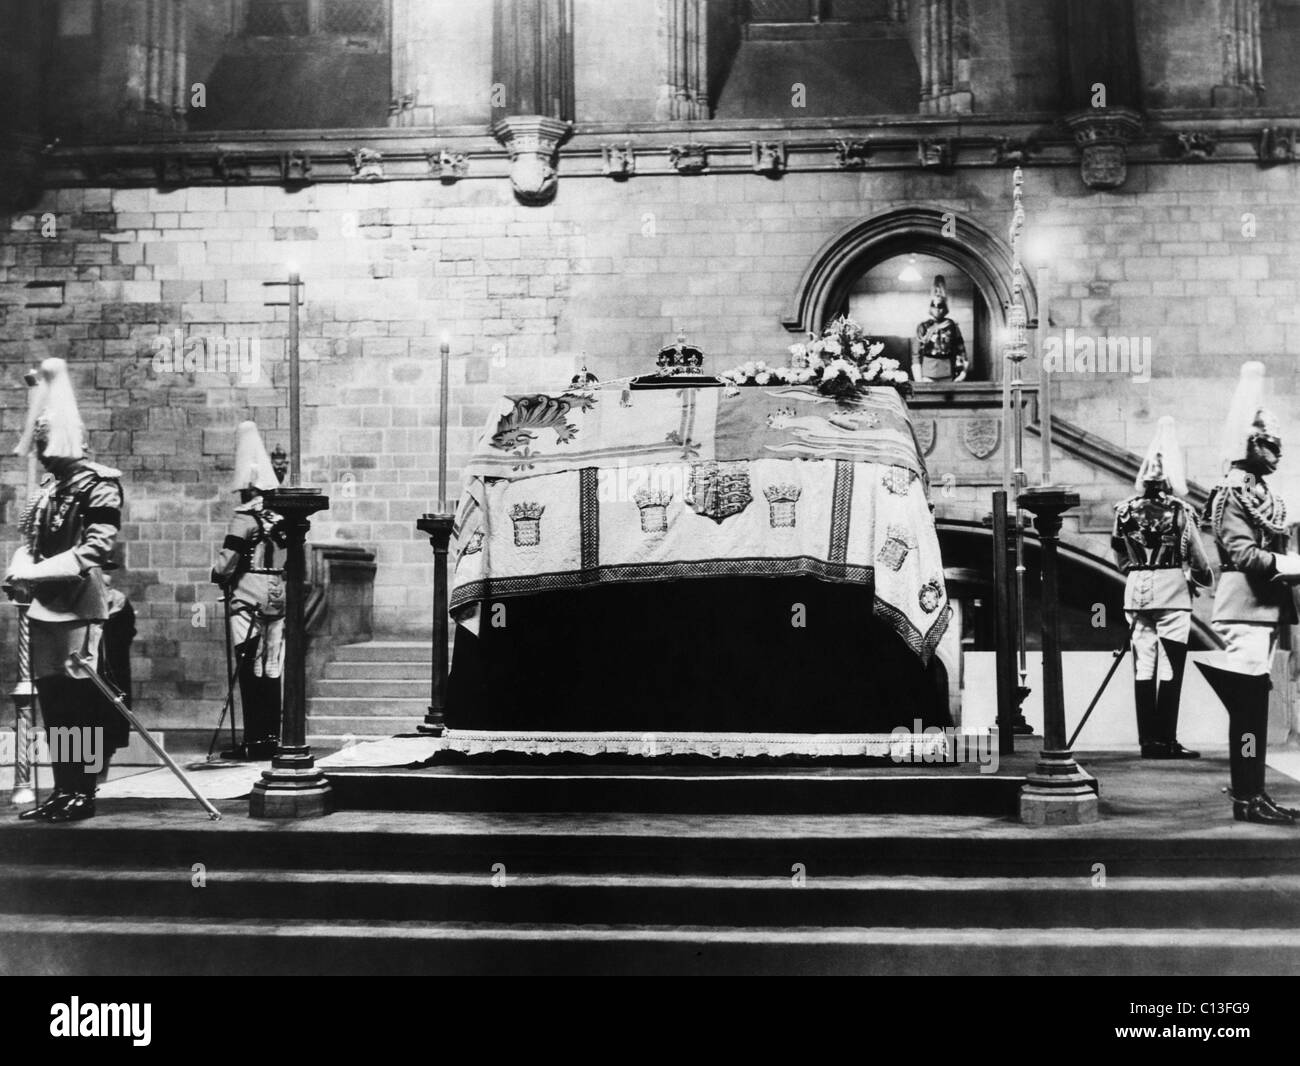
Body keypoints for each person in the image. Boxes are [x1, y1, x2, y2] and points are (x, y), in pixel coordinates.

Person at [4, 358, 125, 822]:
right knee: (55, 705)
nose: (38, 449)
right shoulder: (49, 491)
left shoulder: (101, 485)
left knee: (83, 704)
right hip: (44, 608)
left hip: (80, 603)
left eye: (43, 439)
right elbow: (30, 545)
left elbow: (93, 549)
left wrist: (34, 574)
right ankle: (63, 789)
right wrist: (19, 569)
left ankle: (84, 792)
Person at [1197, 362, 1300, 825]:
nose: (1277, 453)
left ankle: (1252, 791)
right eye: (1270, 444)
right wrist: (1293, 566)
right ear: (1249, 443)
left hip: (1266, 610)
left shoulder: (1262, 492)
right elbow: (1241, 554)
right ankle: (1247, 796)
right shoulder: (1231, 492)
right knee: (1248, 709)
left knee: (1254, 708)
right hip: (1245, 608)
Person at [1111, 416, 1212, 758]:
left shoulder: (1123, 510)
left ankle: (1147, 741)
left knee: (1143, 667)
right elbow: (1198, 559)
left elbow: (1118, 556)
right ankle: (1166, 739)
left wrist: (1137, 571)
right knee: (1170, 668)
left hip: (1136, 592)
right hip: (1171, 593)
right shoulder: (1181, 510)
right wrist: (1200, 579)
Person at [210, 422, 285, 760]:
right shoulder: (281, 518)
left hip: (247, 600)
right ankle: (271, 737)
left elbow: (227, 564)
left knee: (249, 671)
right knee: (272, 670)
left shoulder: (244, 518)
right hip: (277, 598)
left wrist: (217, 572)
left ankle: (255, 739)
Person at [914, 275, 967, 382]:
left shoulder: (951, 325)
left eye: (941, 306)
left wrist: (962, 371)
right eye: (935, 306)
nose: (938, 310)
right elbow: (916, 352)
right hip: (928, 370)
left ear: (945, 308)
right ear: (930, 307)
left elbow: (960, 349)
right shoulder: (923, 326)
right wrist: (917, 375)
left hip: (947, 368)